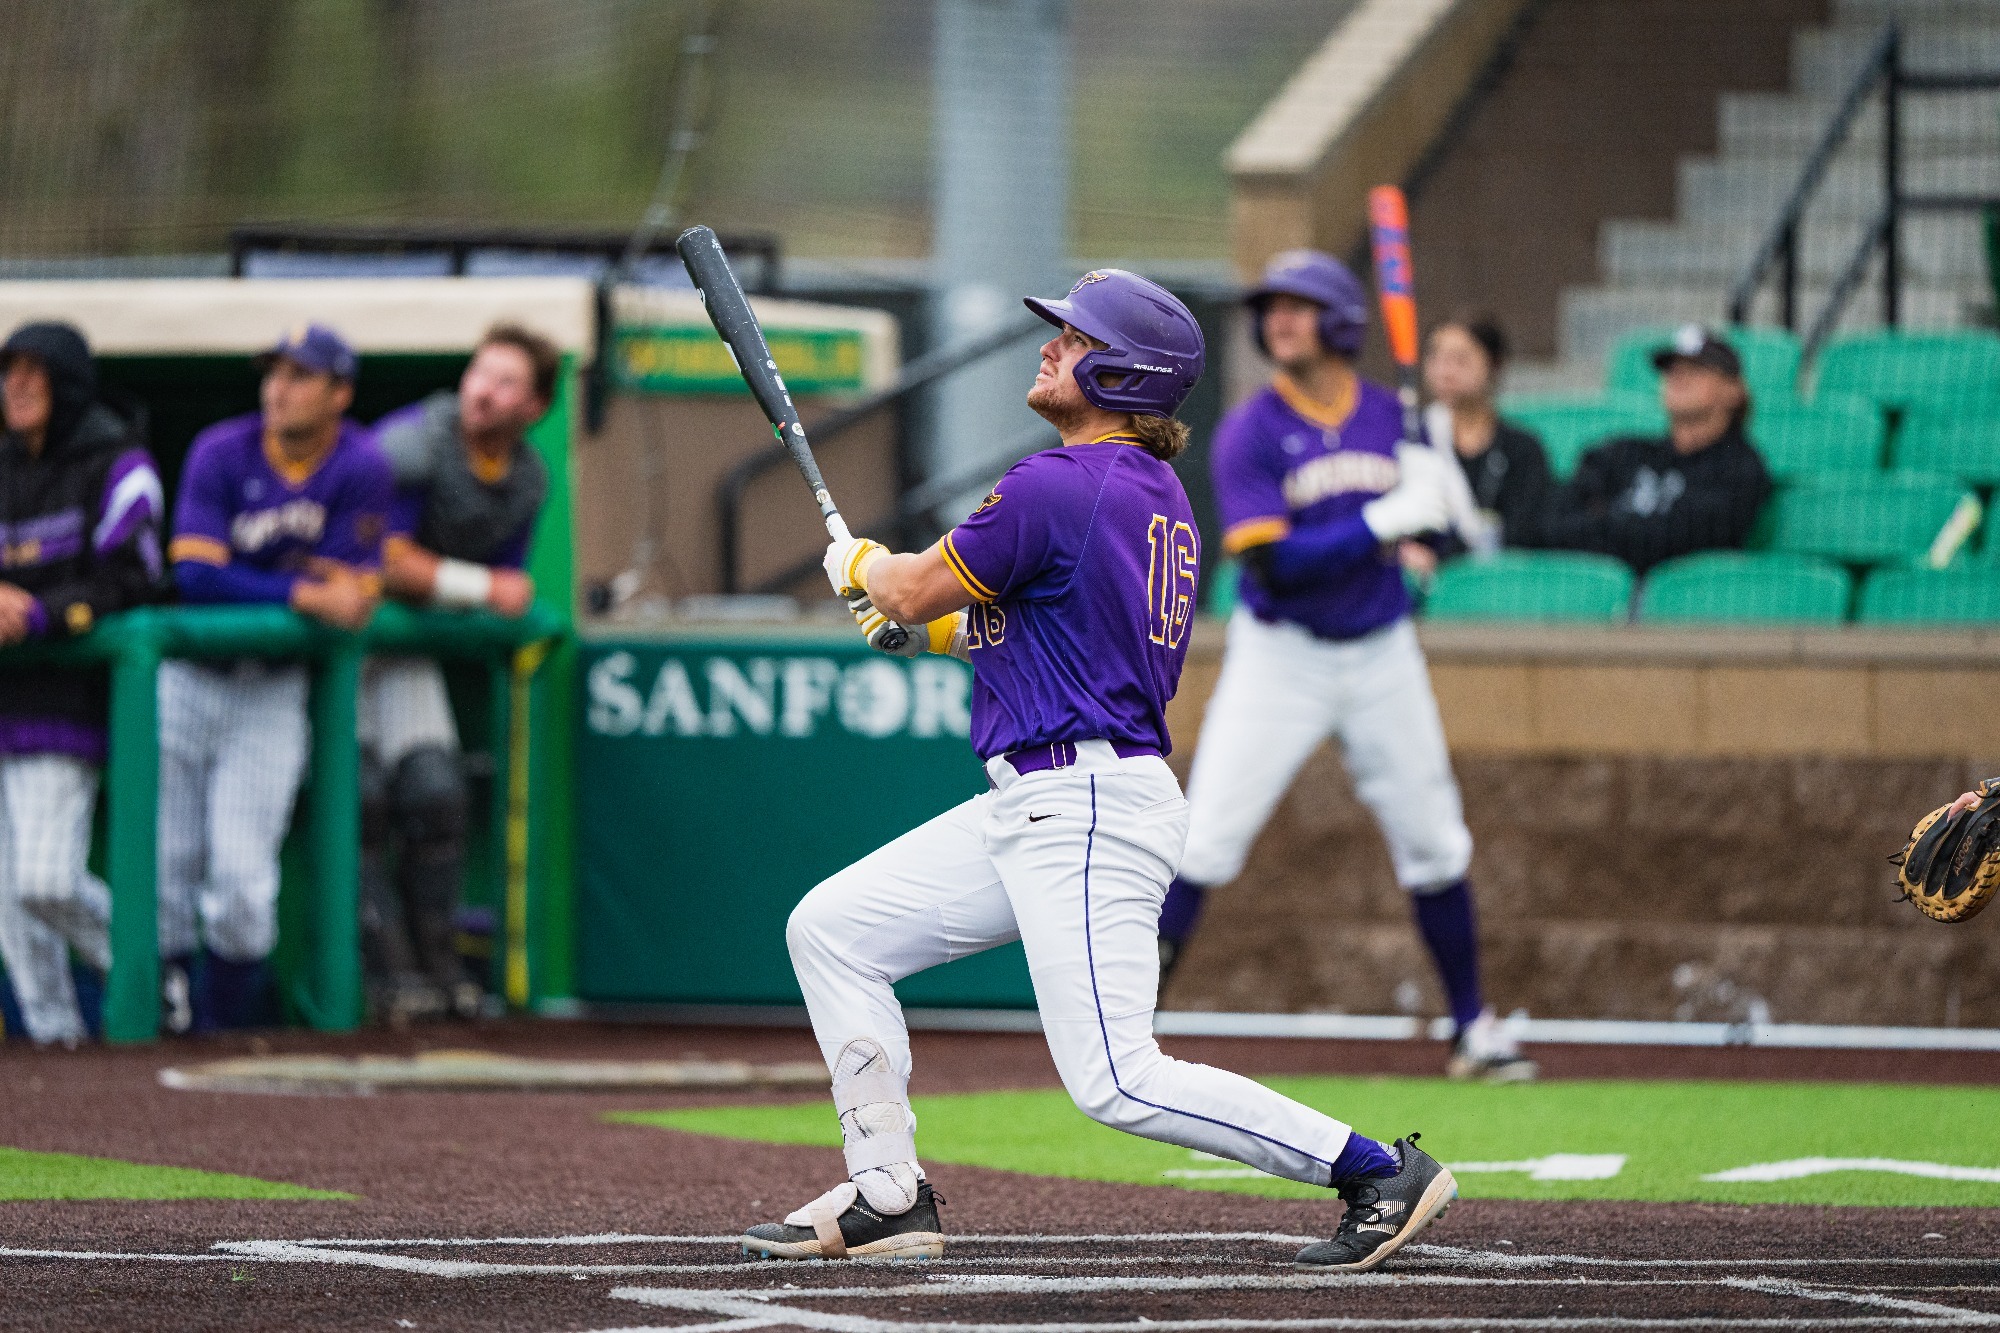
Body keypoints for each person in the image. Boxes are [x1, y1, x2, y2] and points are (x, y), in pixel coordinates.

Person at [739, 269, 1458, 1275]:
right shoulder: (1145, 493)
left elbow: (909, 586)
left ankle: (1376, 1168)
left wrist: (863, 570)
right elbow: (1029, 630)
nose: (1050, 347)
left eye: (1074, 339)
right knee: (832, 930)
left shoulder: (1057, 484)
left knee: (1115, 1078)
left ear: (1124, 372)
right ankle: (888, 1193)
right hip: (1046, 799)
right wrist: (925, 626)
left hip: (1080, 803)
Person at [1154, 250, 1535, 1084]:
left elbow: (1452, 536)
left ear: (1339, 320)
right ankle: (1121, 1031)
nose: (1280, 320)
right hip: (1279, 654)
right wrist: (1383, 520)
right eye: (1271, 308)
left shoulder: (1396, 419)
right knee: (1206, 839)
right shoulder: (1251, 430)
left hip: (1382, 651)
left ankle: (1472, 1027)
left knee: (1435, 842)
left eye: (1298, 305)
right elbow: (1274, 564)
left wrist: (1438, 502)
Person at [159, 324, 392, 1032]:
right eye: (273, 374)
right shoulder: (221, 449)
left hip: (272, 690)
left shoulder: (361, 463)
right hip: (187, 678)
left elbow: (353, 593)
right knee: (166, 872)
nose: (277, 390)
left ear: (339, 394)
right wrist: (299, 592)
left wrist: (301, 590)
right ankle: (159, 1037)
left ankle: (224, 1031)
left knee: (240, 885)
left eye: (299, 376)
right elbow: (195, 575)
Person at [360, 323, 555, 1023]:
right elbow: (383, 559)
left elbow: (514, 582)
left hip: (405, 650)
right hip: (332, 646)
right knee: (359, 800)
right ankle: (386, 976)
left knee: (436, 795)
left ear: (534, 406)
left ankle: (439, 971)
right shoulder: (414, 442)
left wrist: (485, 589)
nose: (483, 391)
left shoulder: (527, 477)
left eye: (505, 382)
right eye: (479, 373)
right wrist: (479, 588)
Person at [0, 322, 164, 1045]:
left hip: (68, 701)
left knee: (45, 881)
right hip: (8, 696)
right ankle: (54, 1036)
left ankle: (148, 975)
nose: (17, 385)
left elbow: (137, 579)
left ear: (67, 384)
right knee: (6, 900)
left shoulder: (119, 461)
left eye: (35, 371)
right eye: (10, 370)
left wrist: (39, 611)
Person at [1535, 325, 1771, 573]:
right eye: (1672, 370)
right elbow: (1549, 523)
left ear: (1734, 391)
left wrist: (1601, 524)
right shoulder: (1621, 453)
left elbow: (1685, 542)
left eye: (1697, 369)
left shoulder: (1740, 467)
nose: (1679, 377)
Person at [1402, 313, 1551, 579]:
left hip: (1503, 585)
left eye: (1460, 360)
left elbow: (1528, 533)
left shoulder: (1523, 448)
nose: (1444, 372)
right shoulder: (1411, 441)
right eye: (1435, 357)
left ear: (1495, 364)